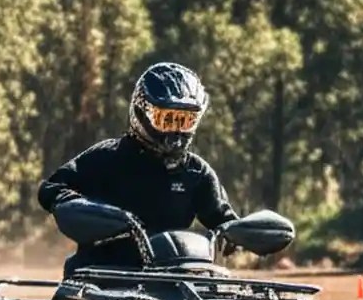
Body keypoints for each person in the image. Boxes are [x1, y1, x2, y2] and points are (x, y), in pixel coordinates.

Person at [38, 62, 238, 273]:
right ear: (141, 112)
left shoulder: (196, 173)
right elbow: (50, 189)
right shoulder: (106, 158)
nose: (176, 130)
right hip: (100, 283)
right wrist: (84, 210)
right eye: (167, 119)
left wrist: (240, 233)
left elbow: (225, 223)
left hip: (172, 284)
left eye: (185, 121)